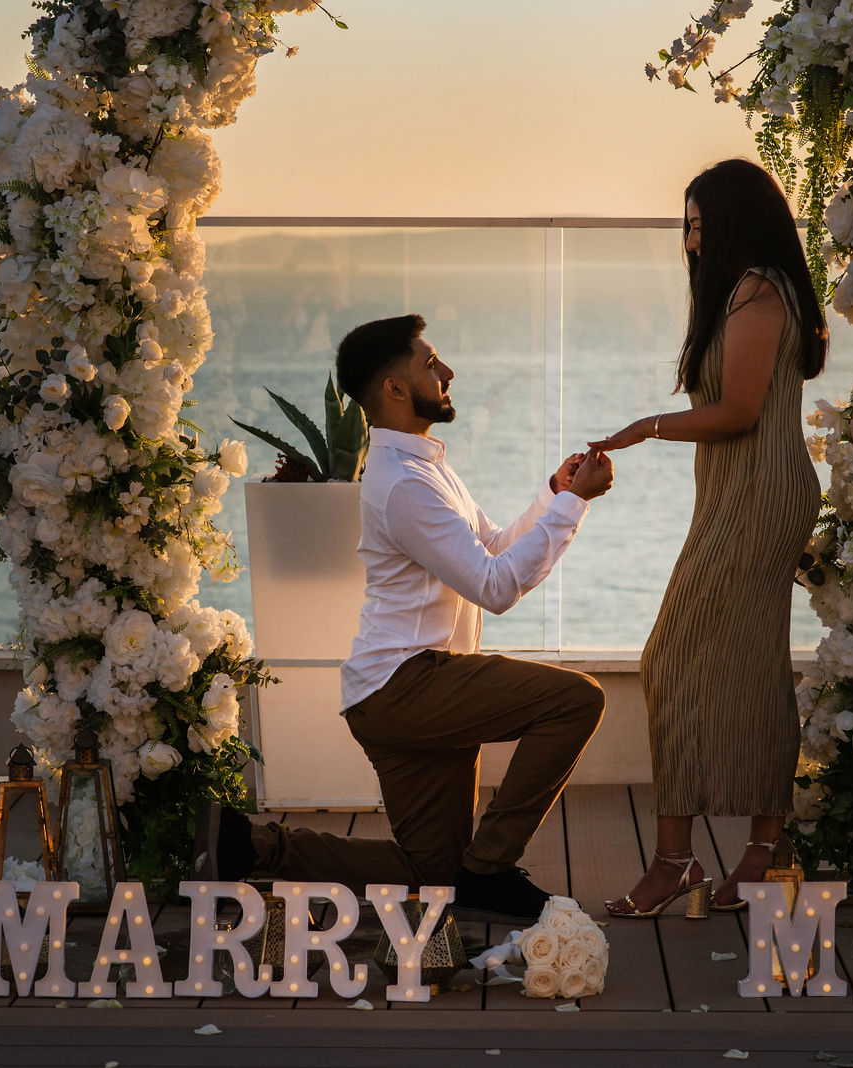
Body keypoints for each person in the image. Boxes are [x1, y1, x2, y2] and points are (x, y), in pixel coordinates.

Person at [211, 314, 614, 923]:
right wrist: (574, 506)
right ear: (395, 389)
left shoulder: (423, 470)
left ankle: (250, 846)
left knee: (434, 881)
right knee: (575, 700)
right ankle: (493, 868)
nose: (446, 372)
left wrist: (555, 494)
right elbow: (495, 588)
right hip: (409, 684)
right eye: (430, 363)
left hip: (399, 690)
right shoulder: (403, 482)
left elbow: (495, 549)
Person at [588, 159, 828, 917]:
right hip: (737, 490)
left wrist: (642, 429)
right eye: (685, 227)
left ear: (734, 222)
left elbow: (738, 413)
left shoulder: (759, 291)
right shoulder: (743, 291)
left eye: (699, 225)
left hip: (761, 493)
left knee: (677, 656)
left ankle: (730, 853)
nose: (690, 241)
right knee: (720, 661)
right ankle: (711, 856)